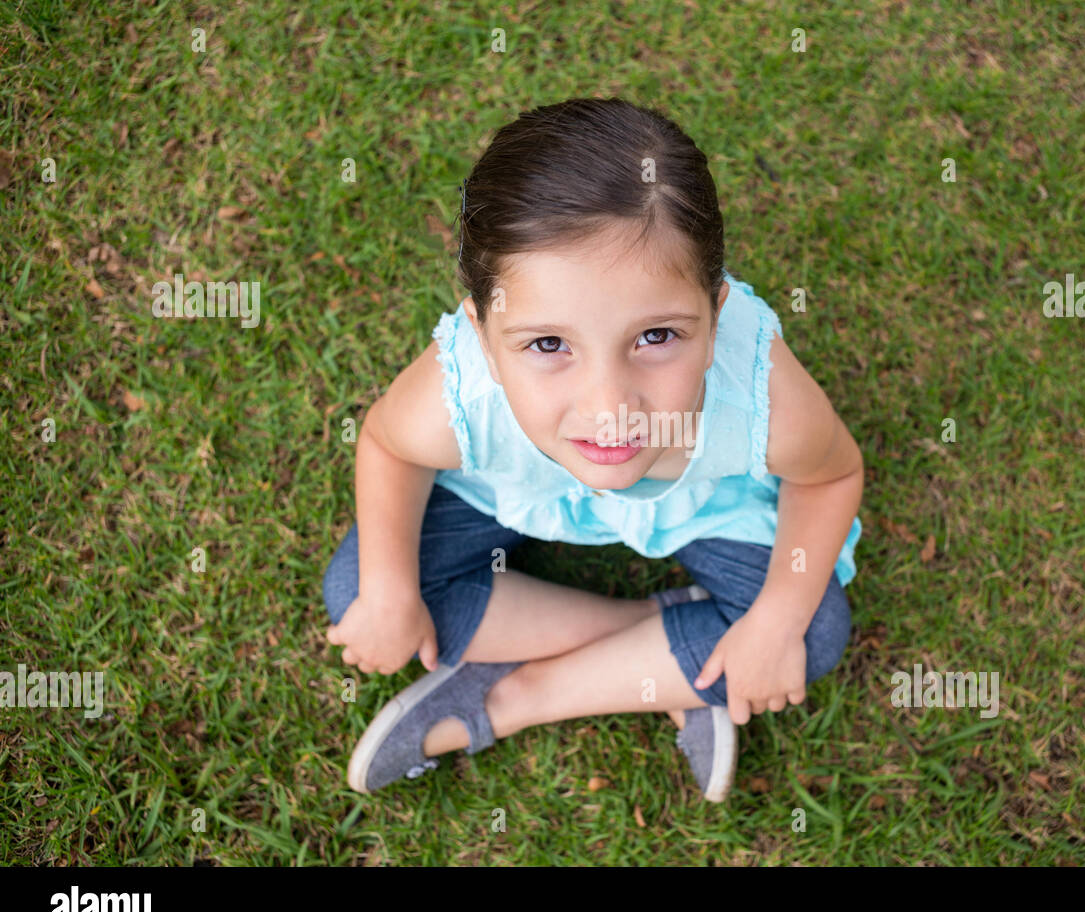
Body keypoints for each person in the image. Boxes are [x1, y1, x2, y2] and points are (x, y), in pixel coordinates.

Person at [322, 97, 863, 803]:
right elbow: (391, 449)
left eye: (657, 337)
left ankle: (519, 696)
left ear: (716, 313)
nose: (610, 409)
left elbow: (829, 477)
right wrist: (392, 592)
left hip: (706, 509)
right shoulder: (461, 399)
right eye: (549, 345)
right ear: (482, 335)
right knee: (361, 587)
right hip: (513, 492)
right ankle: (656, 633)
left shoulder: (758, 400)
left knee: (811, 629)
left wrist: (777, 620)